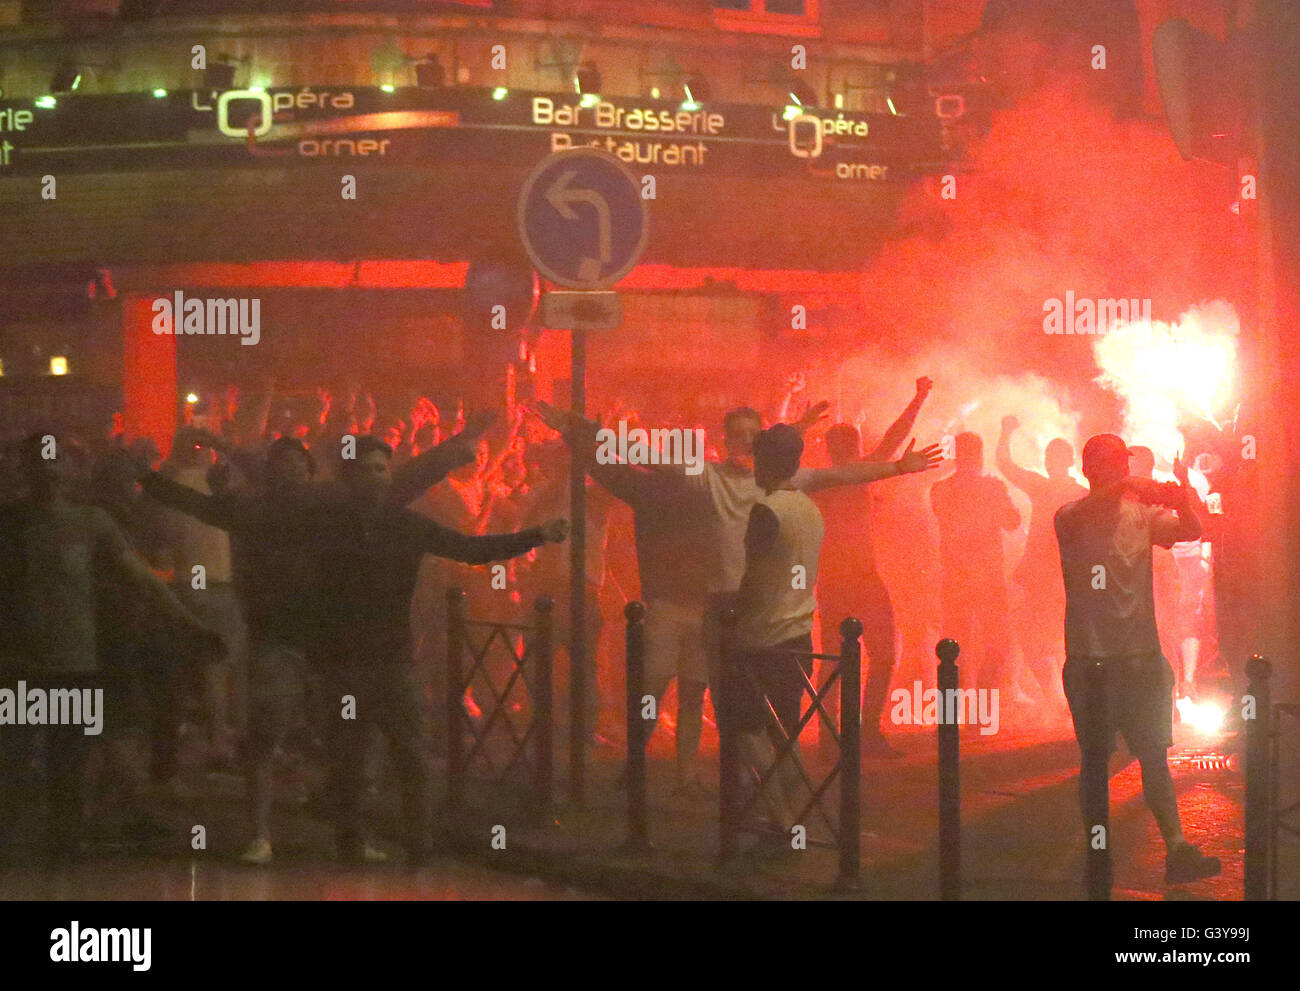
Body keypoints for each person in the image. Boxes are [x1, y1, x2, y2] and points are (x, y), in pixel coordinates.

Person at [310, 436, 568, 865]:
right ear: (350, 477)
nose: (377, 477)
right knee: (350, 757)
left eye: (382, 468)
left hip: (392, 660)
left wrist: (535, 536)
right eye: (368, 469)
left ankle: (419, 845)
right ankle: (352, 843)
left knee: (411, 754)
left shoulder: (405, 526)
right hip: (345, 664)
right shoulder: (328, 527)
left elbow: (468, 550)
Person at [0, 432, 222, 863]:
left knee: (64, 764)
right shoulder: (10, 523)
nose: (49, 469)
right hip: (21, 661)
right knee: (18, 760)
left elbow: (142, 580)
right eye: (42, 460)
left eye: (55, 459)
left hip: (71, 660)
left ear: (69, 469)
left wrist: (191, 625)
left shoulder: (90, 522)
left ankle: (57, 853)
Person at [1054, 433, 1221, 885]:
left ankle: (1178, 848)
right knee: (1095, 761)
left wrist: (1181, 500)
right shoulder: (1070, 516)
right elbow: (1093, 506)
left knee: (1153, 756)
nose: (1122, 471)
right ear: (1090, 470)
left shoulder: (1141, 515)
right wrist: (1135, 486)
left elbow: (1191, 530)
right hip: (1091, 659)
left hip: (1141, 657)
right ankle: (1098, 852)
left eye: (1122, 463)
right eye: (1113, 464)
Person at [814, 376, 933, 757]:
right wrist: (919, 397)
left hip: (840, 578)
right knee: (876, 655)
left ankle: (837, 737)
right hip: (854, 577)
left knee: (841, 658)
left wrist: (918, 399)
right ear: (853, 449)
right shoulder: (840, 478)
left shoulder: (819, 482)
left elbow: (892, 442)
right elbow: (892, 440)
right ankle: (860, 733)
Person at [733, 424, 825, 832]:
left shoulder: (766, 511)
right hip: (800, 633)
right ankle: (794, 814)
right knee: (787, 730)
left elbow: (753, 576)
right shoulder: (810, 509)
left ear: (766, 463)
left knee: (748, 729)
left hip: (761, 636)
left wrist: (734, 612)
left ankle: (781, 817)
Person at [995, 416, 1087, 713]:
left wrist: (1006, 433)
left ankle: (1062, 697)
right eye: (1049, 457)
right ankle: (1058, 697)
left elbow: (1005, 464)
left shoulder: (1076, 494)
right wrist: (1005, 433)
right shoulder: (1058, 489)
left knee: (1049, 636)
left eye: (1054, 457)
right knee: (1040, 636)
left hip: (1059, 576)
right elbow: (1006, 465)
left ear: (1068, 461)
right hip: (1050, 575)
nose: (1050, 462)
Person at [930, 431, 1020, 693]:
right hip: (986, 577)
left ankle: (951, 708)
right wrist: (995, 497)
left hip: (955, 576)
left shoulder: (940, 488)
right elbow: (1013, 522)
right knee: (997, 644)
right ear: (980, 456)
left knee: (954, 647)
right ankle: (979, 705)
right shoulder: (991, 488)